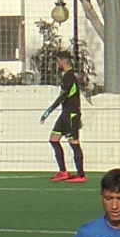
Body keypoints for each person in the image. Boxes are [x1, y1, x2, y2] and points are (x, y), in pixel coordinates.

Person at [42, 53, 87, 183]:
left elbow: (63, 97)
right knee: (53, 140)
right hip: (65, 114)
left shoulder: (69, 77)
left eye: (57, 61)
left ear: (63, 61)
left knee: (74, 143)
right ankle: (63, 172)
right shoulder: (67, 76)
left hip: (71, 115)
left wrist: (48, 111)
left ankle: (81, 174)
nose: (57, 64)